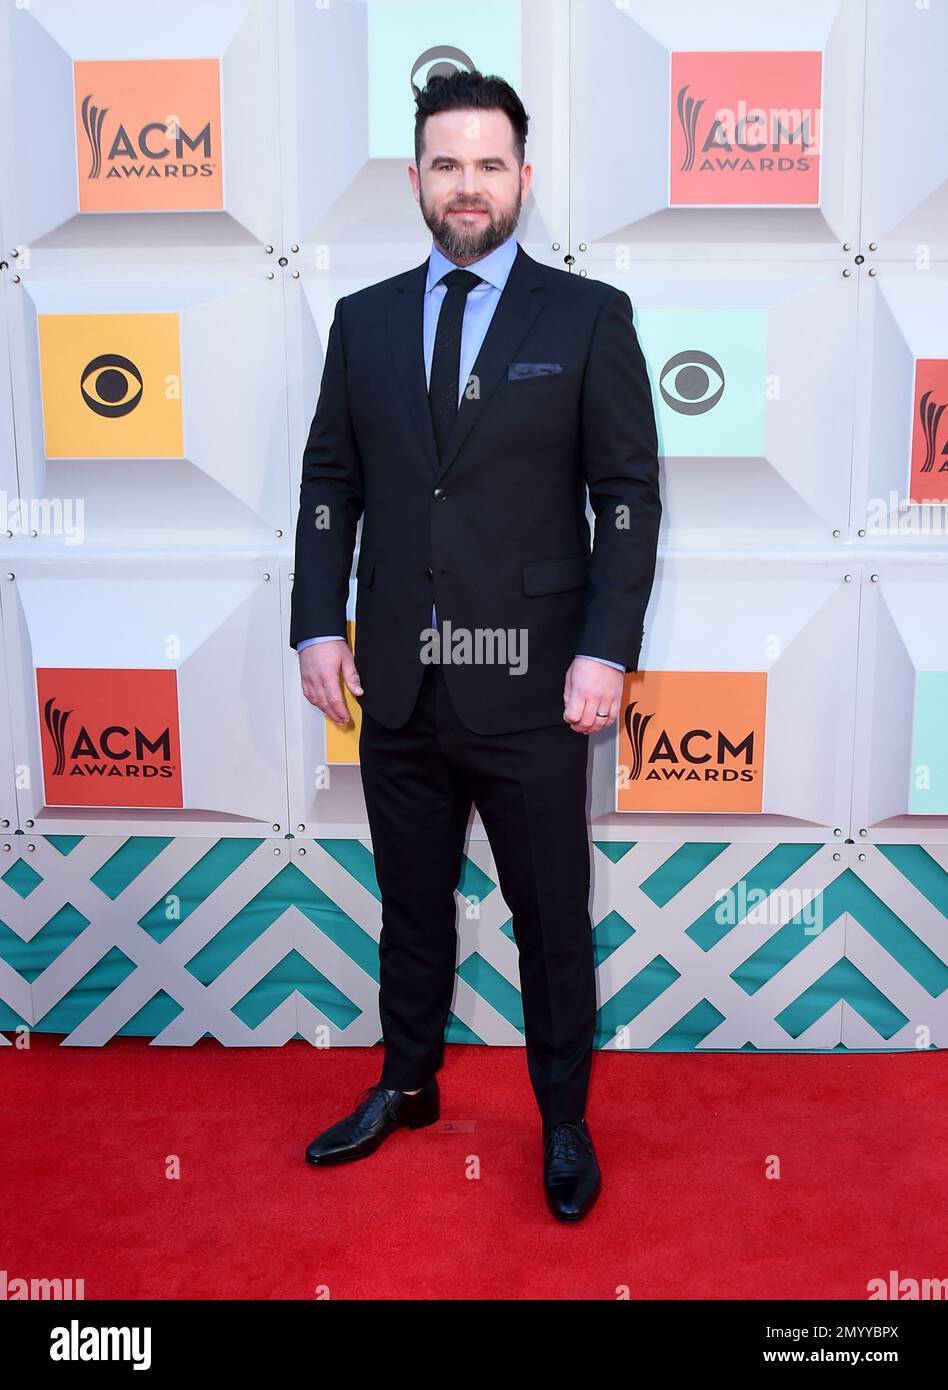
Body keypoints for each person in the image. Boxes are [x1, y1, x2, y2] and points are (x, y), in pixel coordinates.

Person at [289, 69, 662, 1222]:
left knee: (551, 918)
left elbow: (629, 495)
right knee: (410, 904)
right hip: (397, 680)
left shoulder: (588, 317)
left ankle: (562, 1119)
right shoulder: (362, 322)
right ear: (414, 179)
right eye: (446, 164)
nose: (467, 185)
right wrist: (315, 620)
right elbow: (331, 482)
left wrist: (605, 649)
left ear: (523, 180)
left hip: (538, 685)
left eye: (489, 164)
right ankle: (408, 1081)